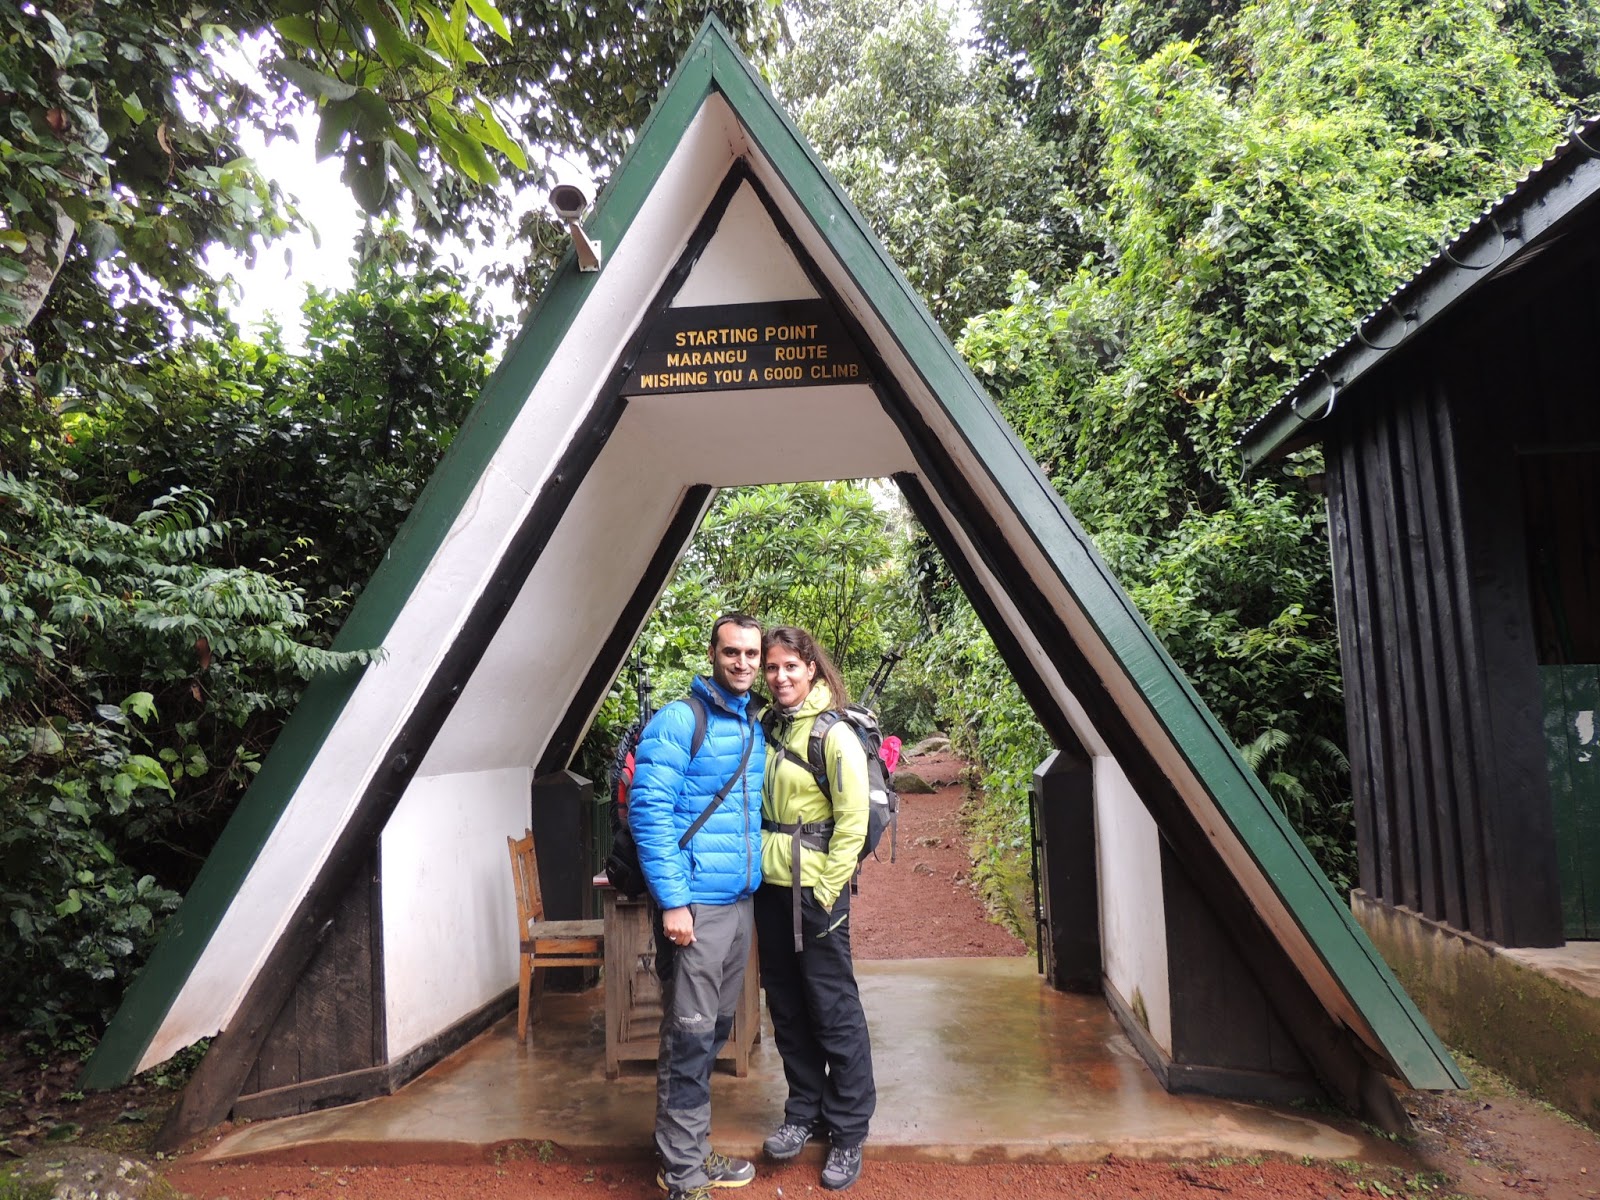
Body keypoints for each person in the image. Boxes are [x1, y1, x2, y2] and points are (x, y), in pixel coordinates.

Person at [629, 614, 767, 1200]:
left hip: (738, 906)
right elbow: (649, 813)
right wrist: (674, 902)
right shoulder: (681, 719)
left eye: (751, 654)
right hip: (697, 910)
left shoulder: (754, 725)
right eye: (732, 652)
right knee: (689, 1035)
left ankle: (687, 1150)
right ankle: (681, 1174)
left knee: (712, 1032)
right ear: (712, 652)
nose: (742, 663)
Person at [754, 626, 877, 1192]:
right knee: (787, 1003)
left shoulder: (835, 733)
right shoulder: (766, 725)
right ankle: (804, 1110)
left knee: (832, 1005)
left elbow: (852, 820)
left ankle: (848, 1130)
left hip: (815, 887)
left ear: (812, 670)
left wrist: (829, 889)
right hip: (770, 886)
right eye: (772, 668)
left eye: (790, 667)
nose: (779, 677)